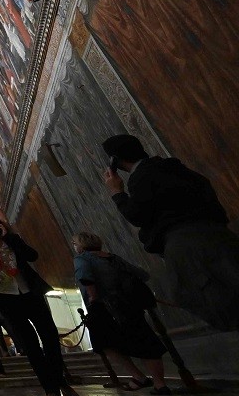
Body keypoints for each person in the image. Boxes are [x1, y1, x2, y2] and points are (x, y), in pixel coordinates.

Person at [102, 134, 239, 331]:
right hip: (218, 233)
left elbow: (138, 215)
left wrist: (117, 193)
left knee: (206, 296)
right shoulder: (174, 167)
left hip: (184, 244)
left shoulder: (141, 177)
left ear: (114, 160)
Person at [0, 211, 79, 396]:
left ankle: (60, 380)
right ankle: (50, 390)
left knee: (50, 337)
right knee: (30, 343)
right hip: (5, 296)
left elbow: (32, 256)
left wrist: (7, 236)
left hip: (29, 292)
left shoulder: (11, 238)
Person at [72, 231, 170, 394]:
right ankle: (160, 384)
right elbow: (142, 275)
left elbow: (85, 277)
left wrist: (93, 297)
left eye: (75, 244)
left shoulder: (82, 259)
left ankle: (138, 376)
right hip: (129, 305)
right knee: (145, 340)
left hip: (104, 307)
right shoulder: (113, 257)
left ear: (81, 245)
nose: (74, 247)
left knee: (104, 343)